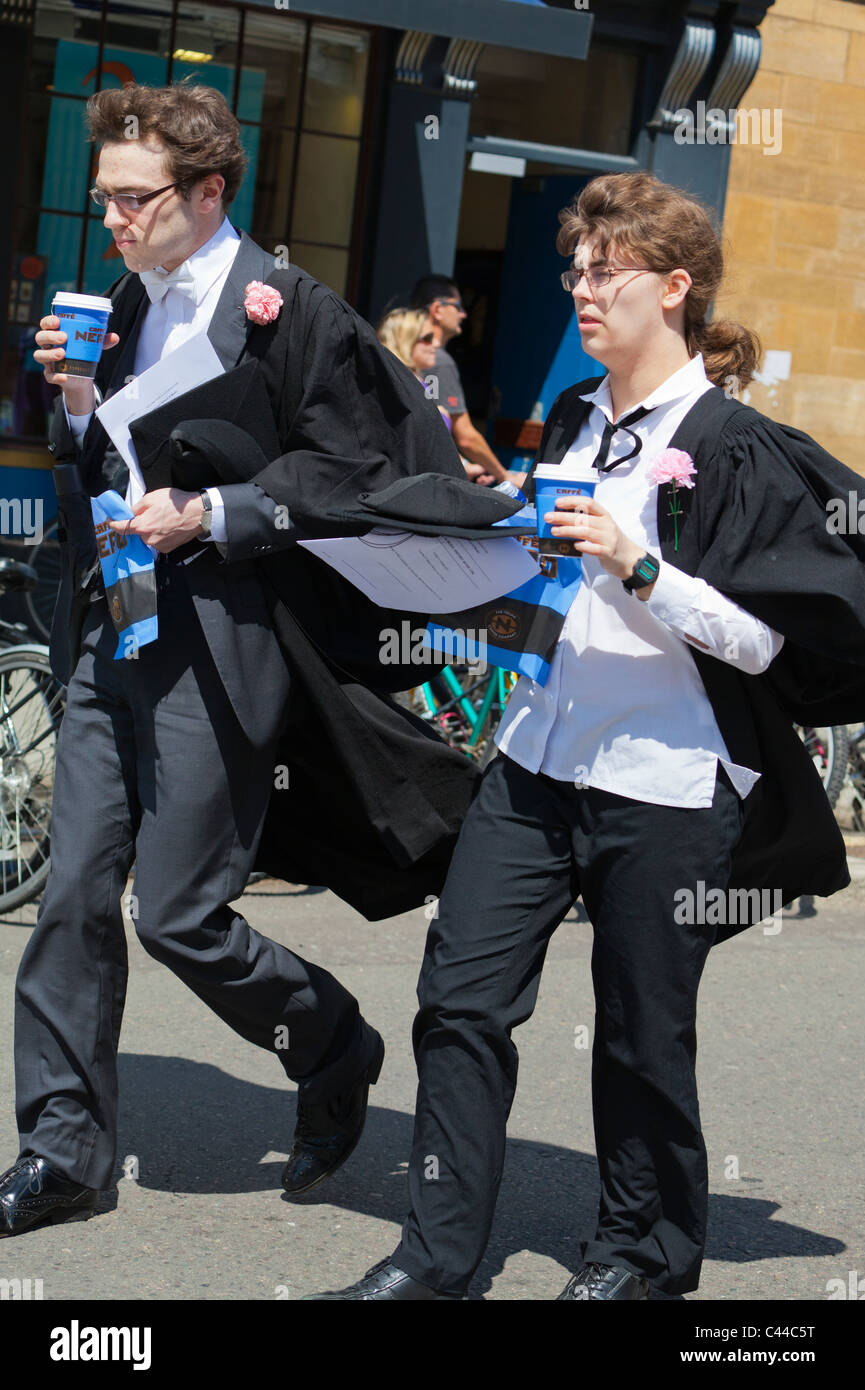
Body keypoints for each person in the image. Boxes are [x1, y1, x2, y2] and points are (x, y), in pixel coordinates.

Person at [306, 171, 865, 1300]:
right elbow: (546, 586)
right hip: (536, 757)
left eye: (603, 270)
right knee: (458, 1001)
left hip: (666, 778)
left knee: (639, 1031)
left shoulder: (735, 446)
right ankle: (436, 1255)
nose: (580, 288)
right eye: (574, 269)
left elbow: (765, 647)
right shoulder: (573, 419)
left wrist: (641, 563)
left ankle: (641, 1257)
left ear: (674, 287)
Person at [0, 81, 479, 1237]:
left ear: (209, 192)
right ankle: (62, 1146)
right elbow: (100, 455)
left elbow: (360, 469)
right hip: (118, 628)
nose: (112, 218)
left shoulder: (293, 312)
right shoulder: (120, 300)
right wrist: (71, 395)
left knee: (178, 913)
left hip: (229, 642)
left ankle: (330, 1041)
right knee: (68, 892)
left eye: (135, 198)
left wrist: (213, 511)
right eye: (104, 196)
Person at [410, 275, 508, 484]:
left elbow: (433, 430)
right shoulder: (437, 361)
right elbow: (465, 436)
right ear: (437, 310)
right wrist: (504, 475)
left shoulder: (409, 356)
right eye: (458, 306)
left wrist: (463, 464)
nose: (464, 314)